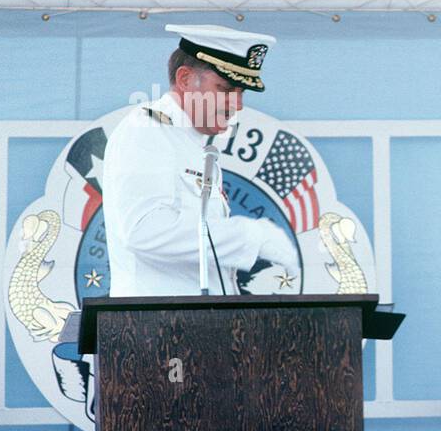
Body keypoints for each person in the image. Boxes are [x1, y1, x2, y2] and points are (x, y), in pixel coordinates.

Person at [101, 24, 296, 296]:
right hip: (154, 327)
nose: (237, 104)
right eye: (226, 88)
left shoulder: (193, 143)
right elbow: (143, 230)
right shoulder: (147, 131)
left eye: (241, 93)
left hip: (196, 324)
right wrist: (250, 236)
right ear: (184, 79)